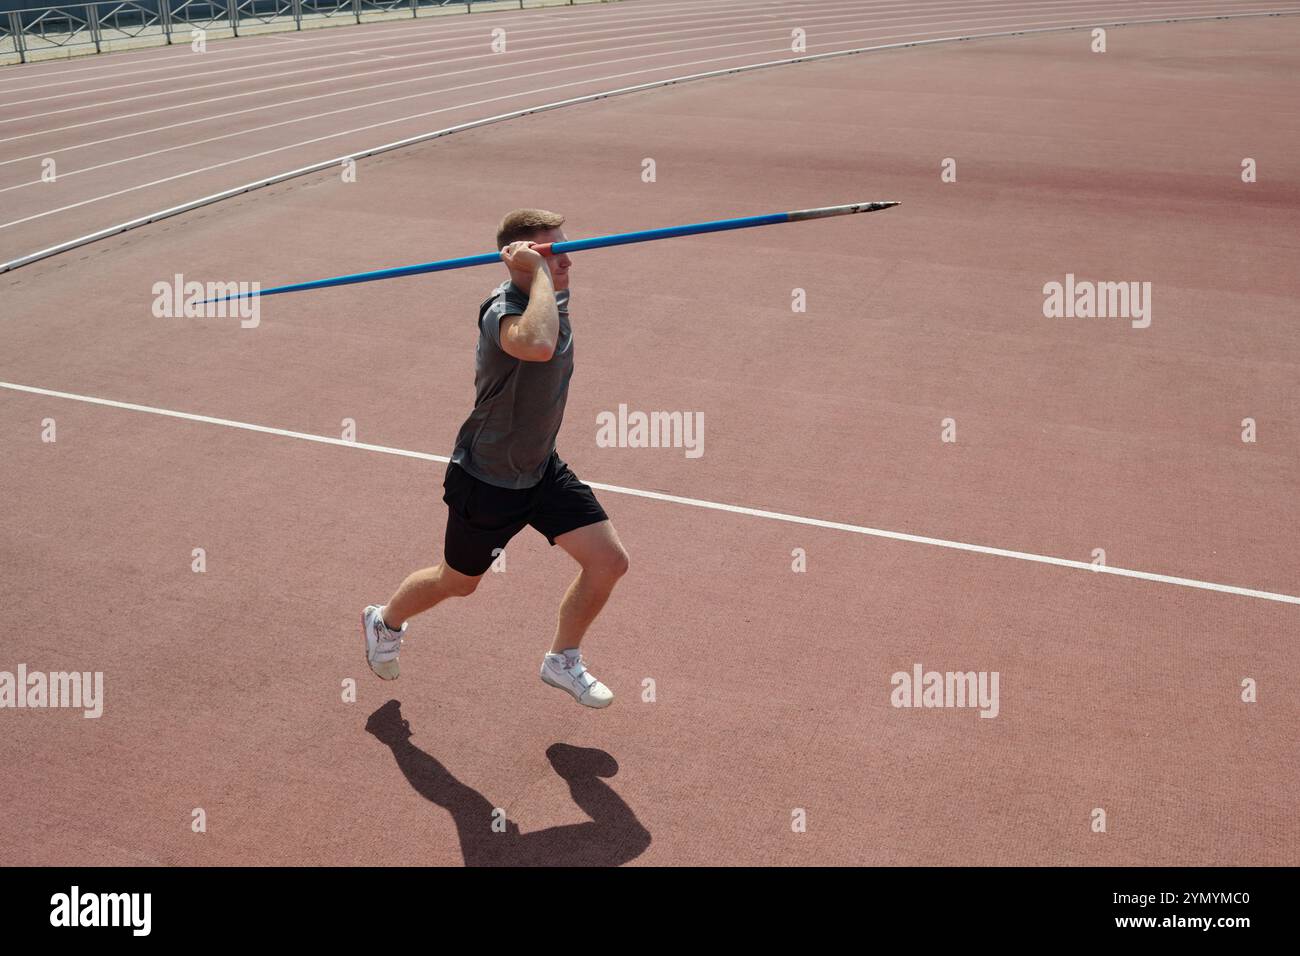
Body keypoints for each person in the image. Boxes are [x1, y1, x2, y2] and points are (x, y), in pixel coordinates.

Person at [361, 209, 628, 708]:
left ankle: (562, 659)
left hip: (541, 469)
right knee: (457, 583)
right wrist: (538, 273)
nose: (567, 259)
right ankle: (385, 621)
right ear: (522, 258)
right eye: (553, 250)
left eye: (565, 248)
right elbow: (537, 344)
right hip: (487, 478)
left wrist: (542, 271)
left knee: (609, 562)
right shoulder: (502, 308)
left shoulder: (549, 294)